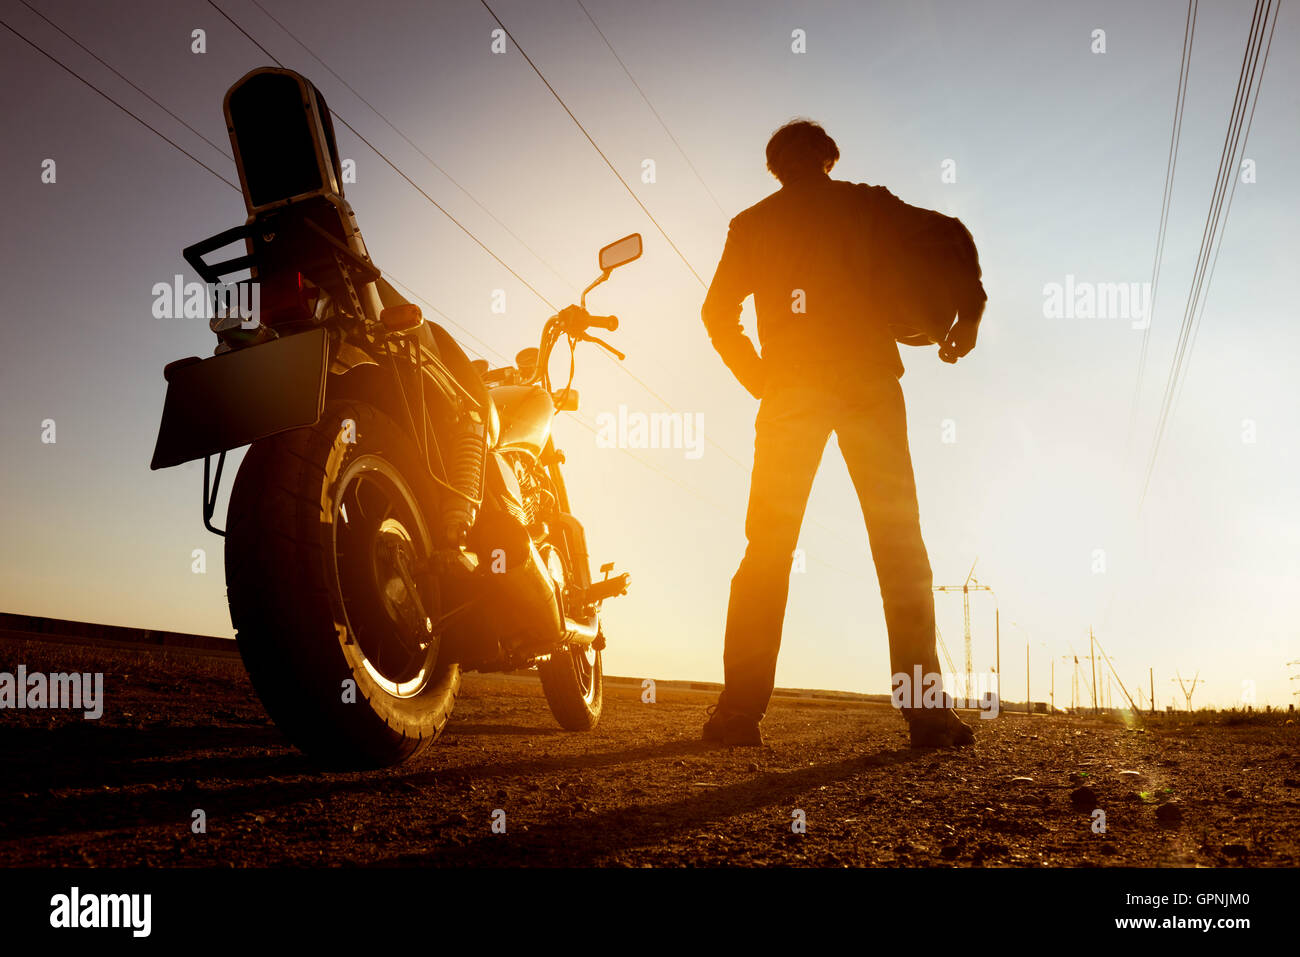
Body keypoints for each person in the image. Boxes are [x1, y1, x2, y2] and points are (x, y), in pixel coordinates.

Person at [700, 119, 986, 748]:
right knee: (900, 548)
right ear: (827, 158)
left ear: (776, 167)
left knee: (767, 551)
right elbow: (952, 233)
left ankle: (738, 713)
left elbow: (716, 315)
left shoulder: (752, 224)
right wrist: (969, 311)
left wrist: (761, 381)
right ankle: (927, 714)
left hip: (795, 391)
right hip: (867, 385)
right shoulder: (866, 204)